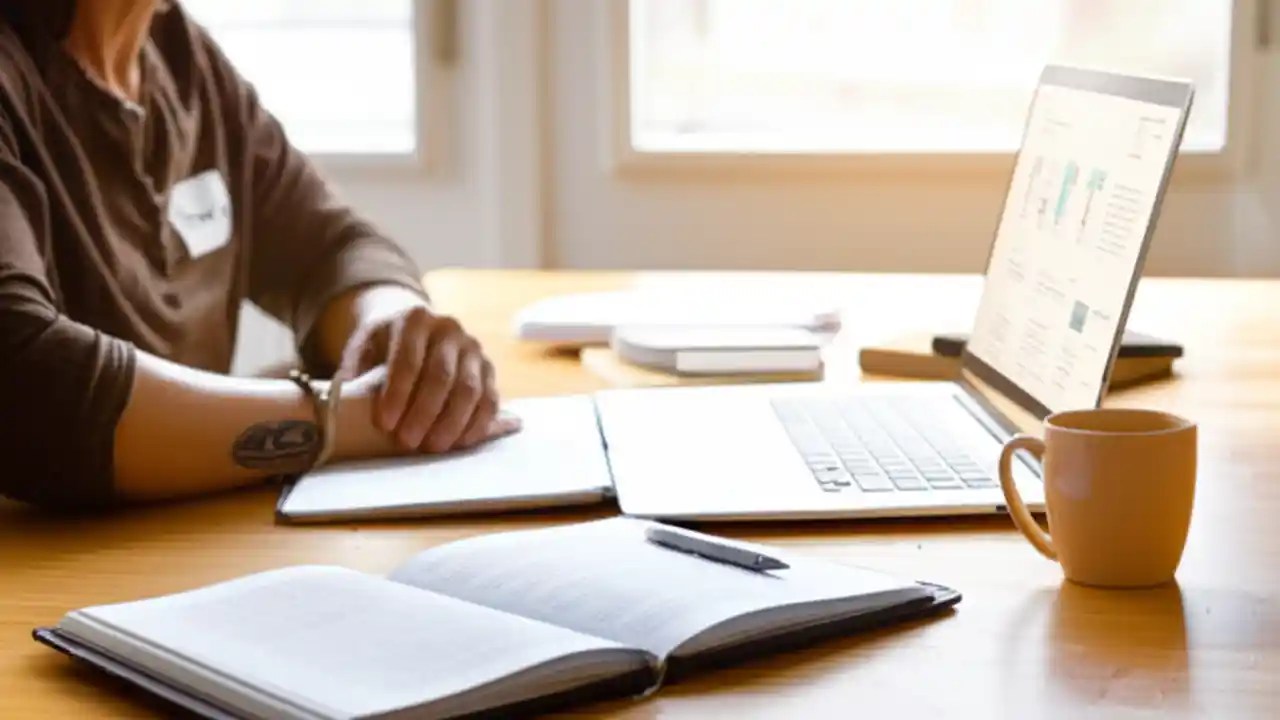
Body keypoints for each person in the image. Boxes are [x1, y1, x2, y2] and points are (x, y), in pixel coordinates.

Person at [0, 0, 518, 508]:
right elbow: (24, 380)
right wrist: (338, 421)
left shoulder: (177, 51)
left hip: (181, 537)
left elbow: (330, 248)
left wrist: (394, 325)